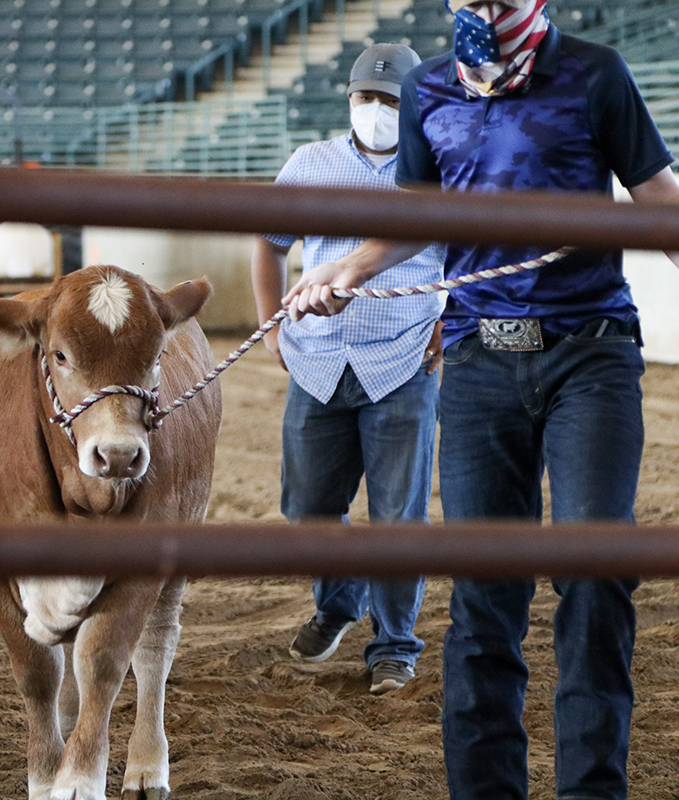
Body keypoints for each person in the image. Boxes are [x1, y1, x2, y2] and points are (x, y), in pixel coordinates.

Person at [283, 2, 679, 798]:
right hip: (476, 364)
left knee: (596, 576)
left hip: (592, 356)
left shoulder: (595, 74)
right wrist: (351, 268)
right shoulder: (431, 90)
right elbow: (419, 215)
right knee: (485, 590)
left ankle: (591, 789)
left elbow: (657, 195)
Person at [251, 43, 447, 695]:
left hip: (403, 357)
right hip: (318, 358)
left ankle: (394, 644)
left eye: (390, 100)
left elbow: (475, 249)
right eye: (367, 97)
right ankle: (339, 601)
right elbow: (271, 243)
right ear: (349, 99)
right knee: (307, 503)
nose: (377, 109)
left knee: (398, 516)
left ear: (414, 104)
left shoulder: (437, 169)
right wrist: (270, 322)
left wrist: (455, 315)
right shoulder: (310, 164)